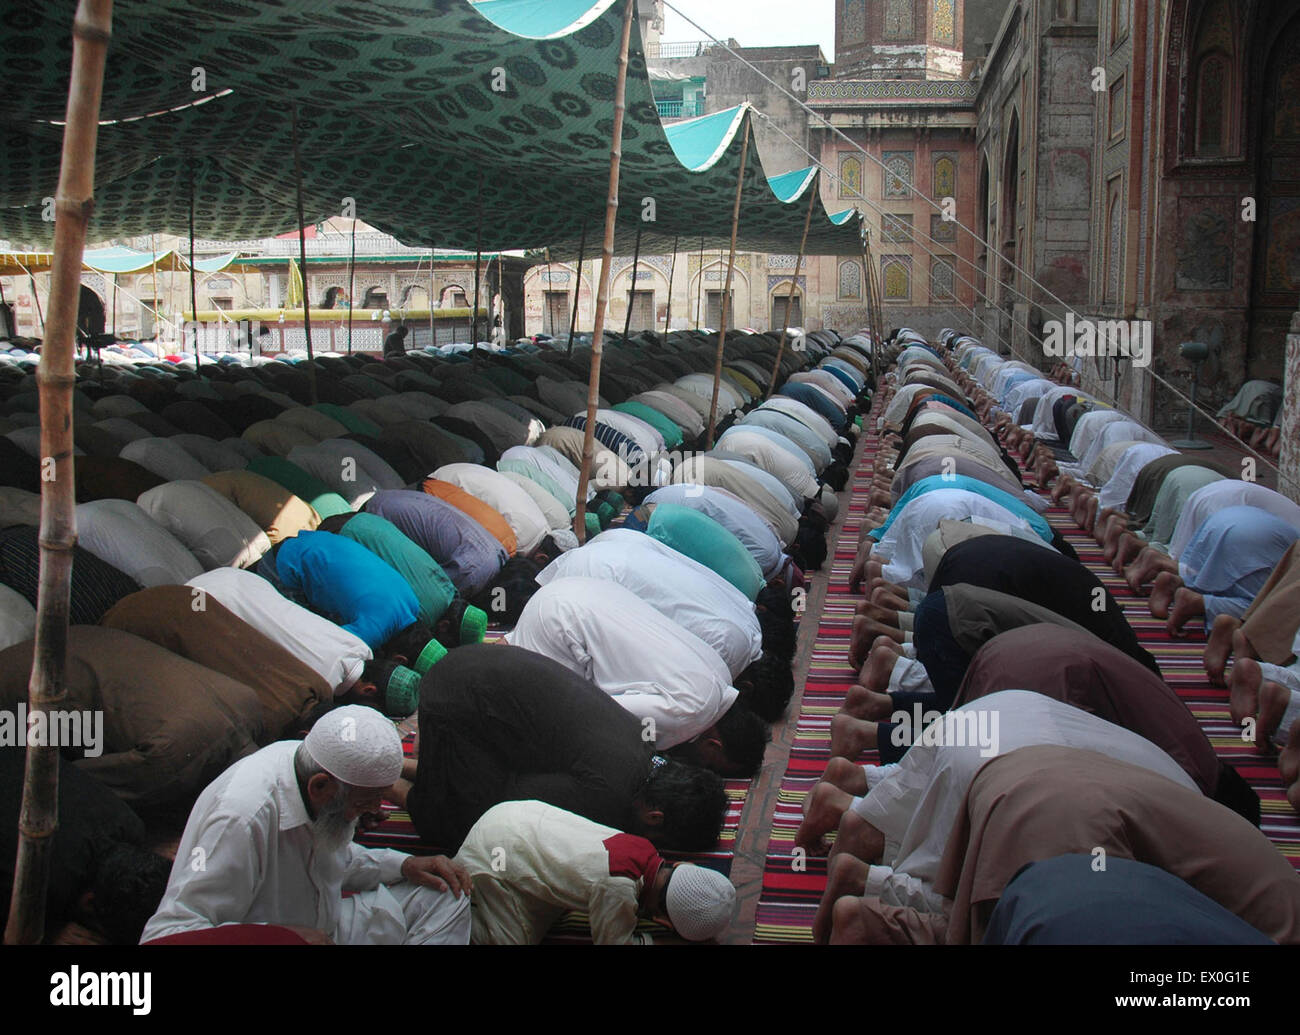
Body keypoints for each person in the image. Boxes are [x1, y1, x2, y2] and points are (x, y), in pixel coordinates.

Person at [826, 746, 1300, 945]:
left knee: (973, 917)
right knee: (971, 927)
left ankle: (869, 889)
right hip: (1066, 854)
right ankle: (872, 896)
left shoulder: (1179, 774)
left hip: (1016, 767)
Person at [141, 706, 472, 945]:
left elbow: (334, 856)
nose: (375, 811)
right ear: (320, 787)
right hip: (277, 939)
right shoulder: (241, 818)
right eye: (364, 802)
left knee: (447, 894)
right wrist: (282, 938)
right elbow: (172, 934)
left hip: (327, 927)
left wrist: (405, 864)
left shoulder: (308, 762)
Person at [393, 644, 728, 854]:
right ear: (655, 817)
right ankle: (381, 778)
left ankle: (413, 766)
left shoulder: (645, 743)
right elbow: (509, 803)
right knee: (470, 826)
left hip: (473, 661)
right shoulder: (610, 796)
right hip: (455, 697)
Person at [507, 577, 769, 776]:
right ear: (714, 746)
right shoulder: (689, 715)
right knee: (550, 732)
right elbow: (594, 713)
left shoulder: (721, 673)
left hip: (578, 587)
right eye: (711, 765)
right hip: (558, 620)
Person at [453, 800, 735, 945]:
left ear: (684, 867)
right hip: (491, 854)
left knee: (557, 900)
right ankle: (449, 907)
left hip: (511, 815)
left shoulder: (644, 849)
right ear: (661, 920)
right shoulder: (619, 888)